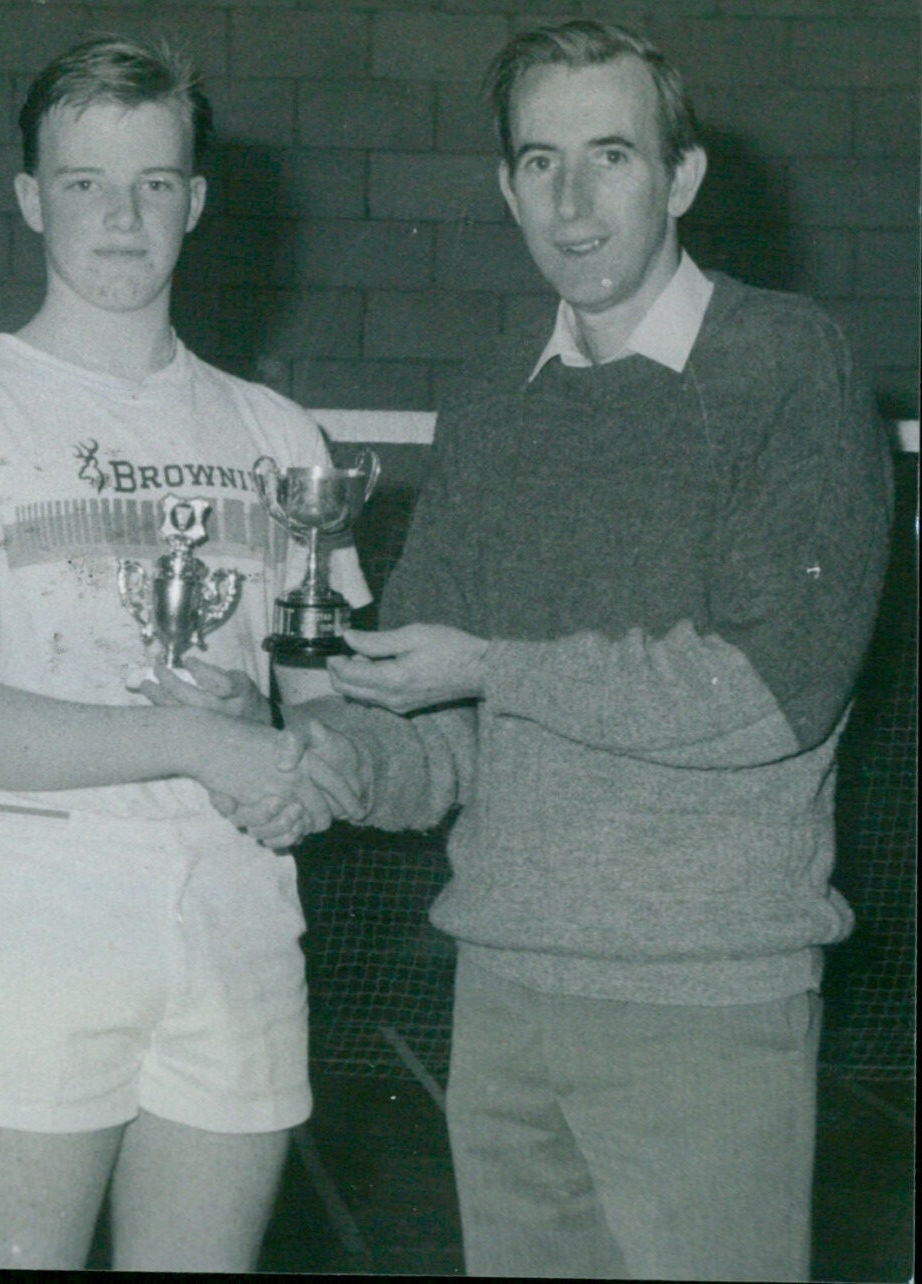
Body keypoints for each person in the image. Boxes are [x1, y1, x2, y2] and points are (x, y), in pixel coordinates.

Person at [295, 21, 892, 1281]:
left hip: (701, 1007)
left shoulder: (789, 361)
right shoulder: (490, 402)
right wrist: (317, 759)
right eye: (537, 161)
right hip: (498, 1002)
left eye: (608, 156)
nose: (570, 204)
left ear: (679, 177)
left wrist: (489, 667)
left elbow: (769, 693)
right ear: (505, 184)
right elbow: (432, 726)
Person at [0, 37, 371, 1272]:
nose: (121, 216)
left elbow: (336, 721)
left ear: (196, 201)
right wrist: (201, 741)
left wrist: (301, 766)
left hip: (238, 911)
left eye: (152, 182)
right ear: (30, 199)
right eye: (83, 182)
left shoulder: (274, 429)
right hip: (34, 906)